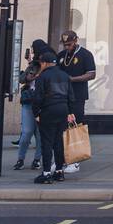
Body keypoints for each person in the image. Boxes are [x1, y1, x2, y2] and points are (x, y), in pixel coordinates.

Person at [30, 51, 76, 184]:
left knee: (47, 142)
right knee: (59, 142)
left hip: (48, 111)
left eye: (41, 63)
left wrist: (36, 113)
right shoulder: (65, 75)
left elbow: (38, 97)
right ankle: (59, 172)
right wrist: (70, 112)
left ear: (44, 63)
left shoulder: (42, 77)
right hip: (63, 110)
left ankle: (46, 174)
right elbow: (71, 96)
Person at [57, 31, 94, 174]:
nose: (67, 47)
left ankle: (76, 160)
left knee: (76, 125)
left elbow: (92, 74)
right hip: (62, 96)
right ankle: (62, 159)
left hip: (78, 96)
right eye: (65, 45)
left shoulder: (85, 54)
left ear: (76, 41)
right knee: (62, 126)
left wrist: (73, 79)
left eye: (70, 44)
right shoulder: (61, 56)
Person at [14, 40, 50, 171]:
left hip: (43, 102)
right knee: (27, 132)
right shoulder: (33, 65)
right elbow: (22, 79)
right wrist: (31, 73)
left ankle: (37, 159)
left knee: (40, 134)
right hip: (29, 101)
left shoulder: (50, 67)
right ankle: (20, 159)